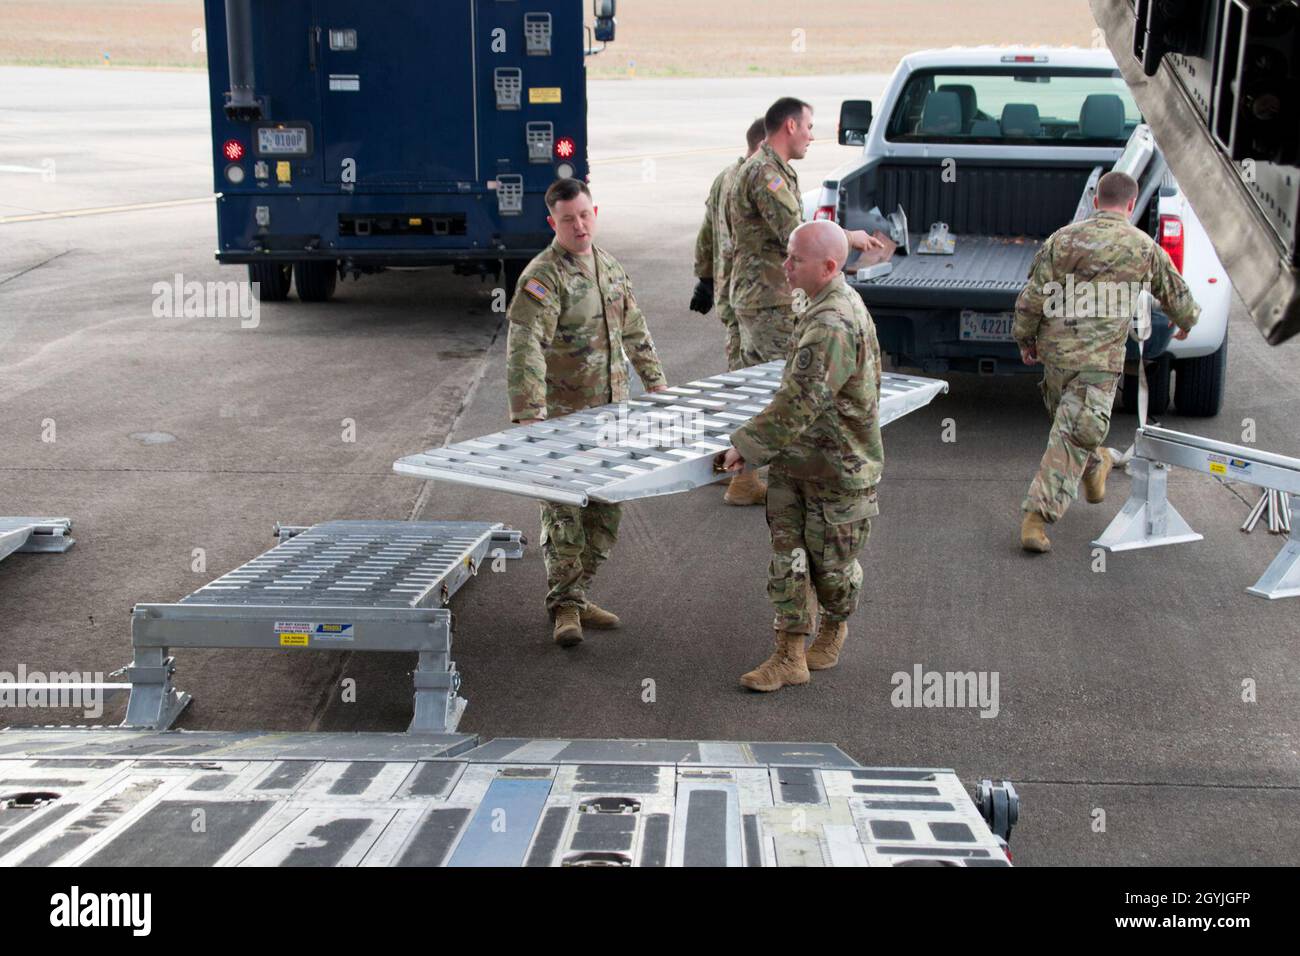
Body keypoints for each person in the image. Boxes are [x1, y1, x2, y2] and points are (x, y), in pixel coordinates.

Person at [506, 178, 669, 646]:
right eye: (567, 219)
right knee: (564, 517)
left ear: (594, 212)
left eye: (584, 215)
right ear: (551, 222)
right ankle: (564, 609)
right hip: (561, 422)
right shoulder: (543, 277)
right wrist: (529, 415)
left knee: (606, 514)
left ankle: (577, 593)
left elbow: (635, 330)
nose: (578, 226)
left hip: (612, 419)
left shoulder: (610, 268)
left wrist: (656, 382)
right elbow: (526, 348)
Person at [722, 220, 884, 692]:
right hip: (796, 462)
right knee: (788, 560)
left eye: (795, 258)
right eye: (787, 254)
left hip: (839, 467)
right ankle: (788, 654)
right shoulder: (816, 301)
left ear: (829, 267)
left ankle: (834, 624)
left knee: (830, 569)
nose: (785, 265)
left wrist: (746, 447)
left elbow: (800, 401)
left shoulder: (833, 321)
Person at [1013, 170, 1200, 553]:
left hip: (1057, 359)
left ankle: (1078, 480)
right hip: (1098, 361)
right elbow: (1174, 291)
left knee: (1073, 431)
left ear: (1096, 201)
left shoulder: (1063, 239)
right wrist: (1187, 322)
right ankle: (1042, 512)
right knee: (1074, 433)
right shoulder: (1142, 246)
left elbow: (1032, 297)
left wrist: (1025, 338)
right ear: (1131, 205)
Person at [726, 96, 885, 506]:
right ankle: (760, 476)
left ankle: (742, 476)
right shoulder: (767, 174)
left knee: (755, 387)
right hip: (768, 298)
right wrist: (847, 238)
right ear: (790, 127)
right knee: (785, 387)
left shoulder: (768, 169)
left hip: (759, 295)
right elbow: (795, 233)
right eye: (810, 127)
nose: (813, 136)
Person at [690, 117, 767, 373]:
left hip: (729, 292)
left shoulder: (724, 177)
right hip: (756, 295)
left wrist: (705, 278)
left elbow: (707, 231)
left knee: (737, 365)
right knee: (760, 373)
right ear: (763, 144)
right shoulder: (760, 179)